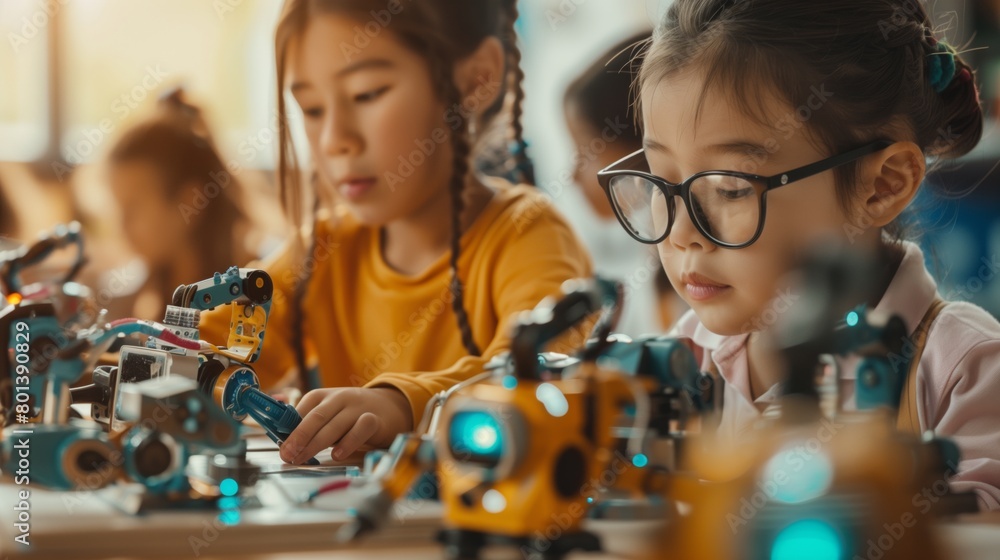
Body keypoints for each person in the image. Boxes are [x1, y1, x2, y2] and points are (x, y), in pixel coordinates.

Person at [598, 0, 1000, 508]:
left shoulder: (962, 372)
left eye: (729, 188)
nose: (680, 234)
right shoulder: (684, 362)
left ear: (884, 184)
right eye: (660, 179)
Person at [200, 0, 592, 465]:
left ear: (477, 80)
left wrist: (403, 405)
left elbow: (544, 371)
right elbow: (209, 351)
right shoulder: (321, 250)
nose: (334, 139)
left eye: (367, 93)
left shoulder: (528, 234)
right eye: (312, 108)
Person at [563, 32, 685, 335]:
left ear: (641, 144)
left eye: (585, 148)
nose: (572, 175)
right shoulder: (653, 254)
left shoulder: (689, 262)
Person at [106, 89, 256, 320]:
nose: (122, 225)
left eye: (133, 208)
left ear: (189, 201)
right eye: (118, 208)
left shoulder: (252, 291)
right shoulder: (136, 300)